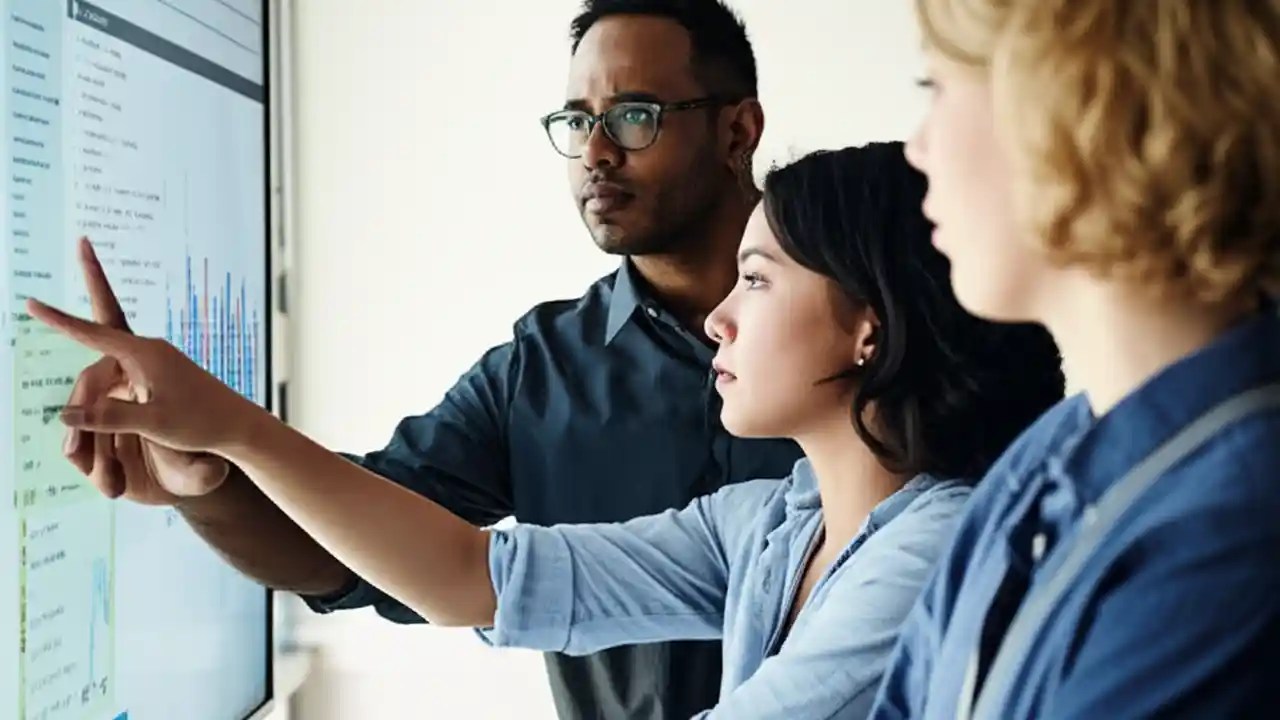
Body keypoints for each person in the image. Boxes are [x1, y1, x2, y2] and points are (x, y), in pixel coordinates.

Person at [30, 142, 1066, 718]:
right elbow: (465, 574)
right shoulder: (772, 528)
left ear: (865, 324)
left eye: (757, 281)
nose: (720, 314)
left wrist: (231, 429)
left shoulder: (934, 546)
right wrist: (233, 437)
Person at [53, 2, 799, 717]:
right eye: (578, 121)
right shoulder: (538, 374)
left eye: (635, 116)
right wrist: (202, 476)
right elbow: (359, 551)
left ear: (738, 131)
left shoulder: (880, 323)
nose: (597, 152)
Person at [867, 1, 1280, 718]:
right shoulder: (1042, 461)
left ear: (1075, 99)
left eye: (934, 87)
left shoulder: (1236, 532)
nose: (918, 148)